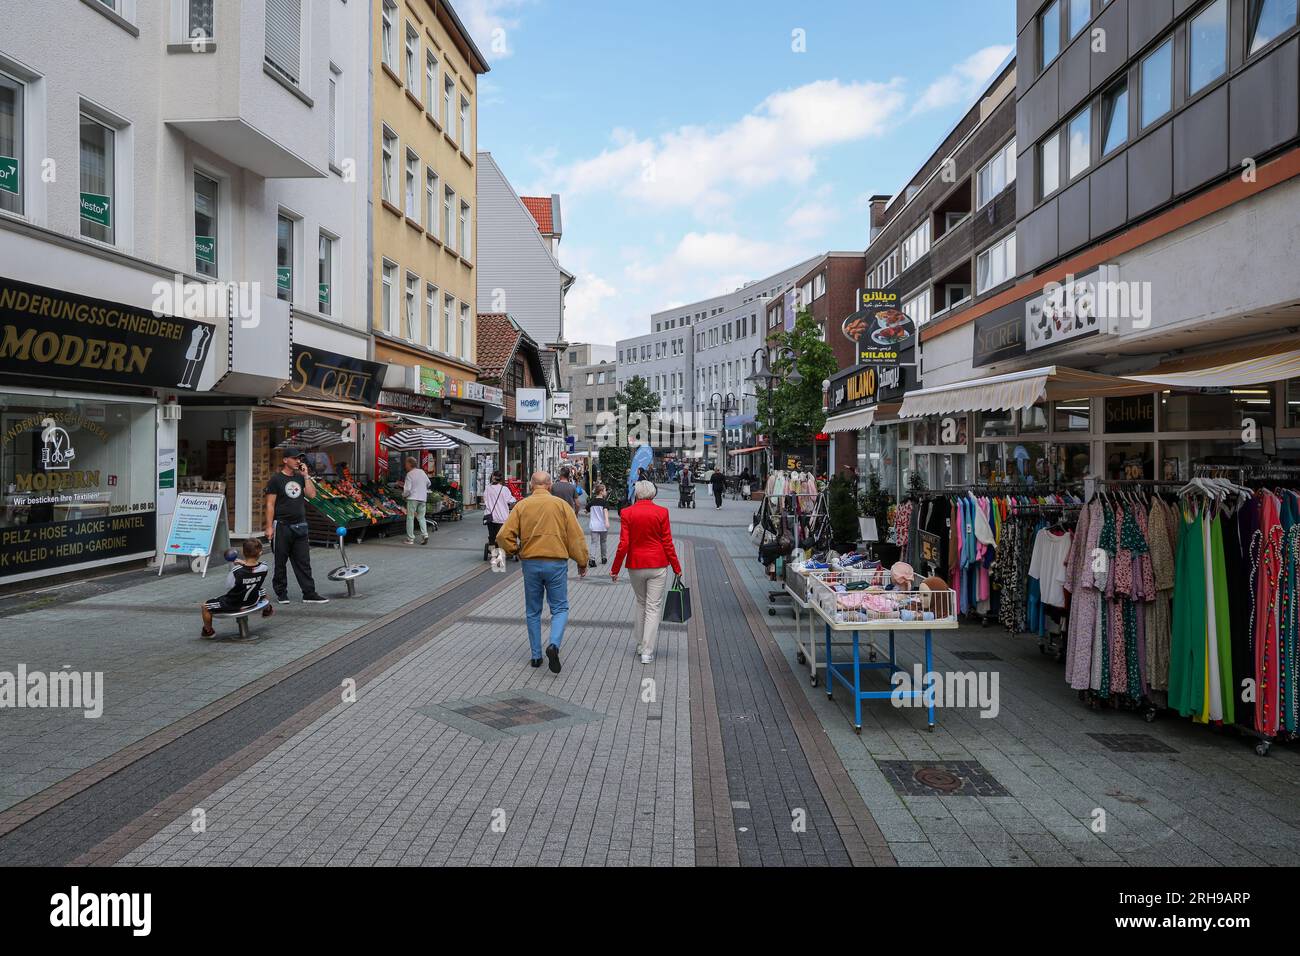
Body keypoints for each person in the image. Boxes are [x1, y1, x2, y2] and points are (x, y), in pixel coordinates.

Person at [496, 470, 589, 672]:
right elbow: (575, 537)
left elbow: (503, 536)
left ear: (531, 486)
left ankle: (536, 656)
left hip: (531, 563)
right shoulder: (562, 506)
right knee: (560, 608)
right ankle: (554, 644)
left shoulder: (522, 506)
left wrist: (515, 550)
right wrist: (582, 561)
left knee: (533, 610)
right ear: (549, 486)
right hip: (556, 562)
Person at [611, 481, 682, 665]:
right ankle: (647, 651)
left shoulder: (627, 513)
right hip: (658, 564)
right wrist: (676, 566)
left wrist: (615, 569)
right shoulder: (662, 512)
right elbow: (667, 541)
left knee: (641, 603)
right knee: (653, 606)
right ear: (652, 493)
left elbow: (623, 544)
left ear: (636, 493)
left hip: (635, 564)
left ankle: (641, 644)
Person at [264, 447, 329, 604]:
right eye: (294, 458)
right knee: (280, 561)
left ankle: (309, 593)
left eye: (299, 458)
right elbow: (270, 505)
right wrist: (269, 527)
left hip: (300, 525)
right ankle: (281, 593)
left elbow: (312, 495)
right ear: (285, 460)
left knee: (303, 561)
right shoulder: (276, 480)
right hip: (282, 525)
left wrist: (306, 476)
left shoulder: (300, 478)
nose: (298, 461)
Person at [200, 538, 272, 637]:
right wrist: (244, 564)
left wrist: (240, 566)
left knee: (205, 606)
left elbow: (229, 586)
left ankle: (208, 631)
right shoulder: (264, 567)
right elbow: (252, 569)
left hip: (234, 603)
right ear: (260, 553)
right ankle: (267, 609)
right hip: (252, 600)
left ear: (242, 552)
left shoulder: (236, 570)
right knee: (261, 590)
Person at [482, 471, 516, 562]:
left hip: (491, 517)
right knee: (502, 536)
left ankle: (493, 551)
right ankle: (503, 551)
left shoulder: (487, 489)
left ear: (493, 478)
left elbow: (485, 500)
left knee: (492, 536)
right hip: (502, 517)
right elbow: (511, 500)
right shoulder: (504, 489)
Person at [402, 456, 431, 545]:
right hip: (422, 498)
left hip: (412, 498)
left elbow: (407, 490)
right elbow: (429, 483)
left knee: (410, 518)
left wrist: (403, 495)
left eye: (406, 463)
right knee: (421, 517)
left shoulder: (410, 474)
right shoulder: (422, 472)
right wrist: (421, 488)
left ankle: (410, 539)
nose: (405, 465)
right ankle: (425, 535)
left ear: (409, 464)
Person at [586, 483, 611, 565]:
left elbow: (587, 509)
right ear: (601, 492)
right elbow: (605, 511)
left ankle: (592, 560)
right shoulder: (605, 502)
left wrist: (586, 511)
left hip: (594, 526)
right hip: (603, 526)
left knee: (594, 543)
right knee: (603, 542)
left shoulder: (592, 502)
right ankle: (604, 558)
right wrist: (607, 521)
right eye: (605, 490)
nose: (606, 492)